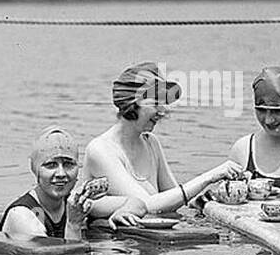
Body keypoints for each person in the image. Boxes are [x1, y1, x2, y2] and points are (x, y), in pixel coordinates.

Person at [82, 61, 246, 218]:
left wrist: (217, 194)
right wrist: (209, 176)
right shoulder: (100, 150)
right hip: (113, 244)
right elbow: (147, 206)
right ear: (132, 103)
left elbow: (177, 198)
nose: (162, 111)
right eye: (156, 103)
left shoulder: (151, 142)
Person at [0, 126, 130, 241]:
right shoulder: (23, 216)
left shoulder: (73, 204)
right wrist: (74, 224)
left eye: (68, 164)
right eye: (51, 165)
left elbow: (136, 203)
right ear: (36, 170)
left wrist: (122, 212)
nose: (61, 173)